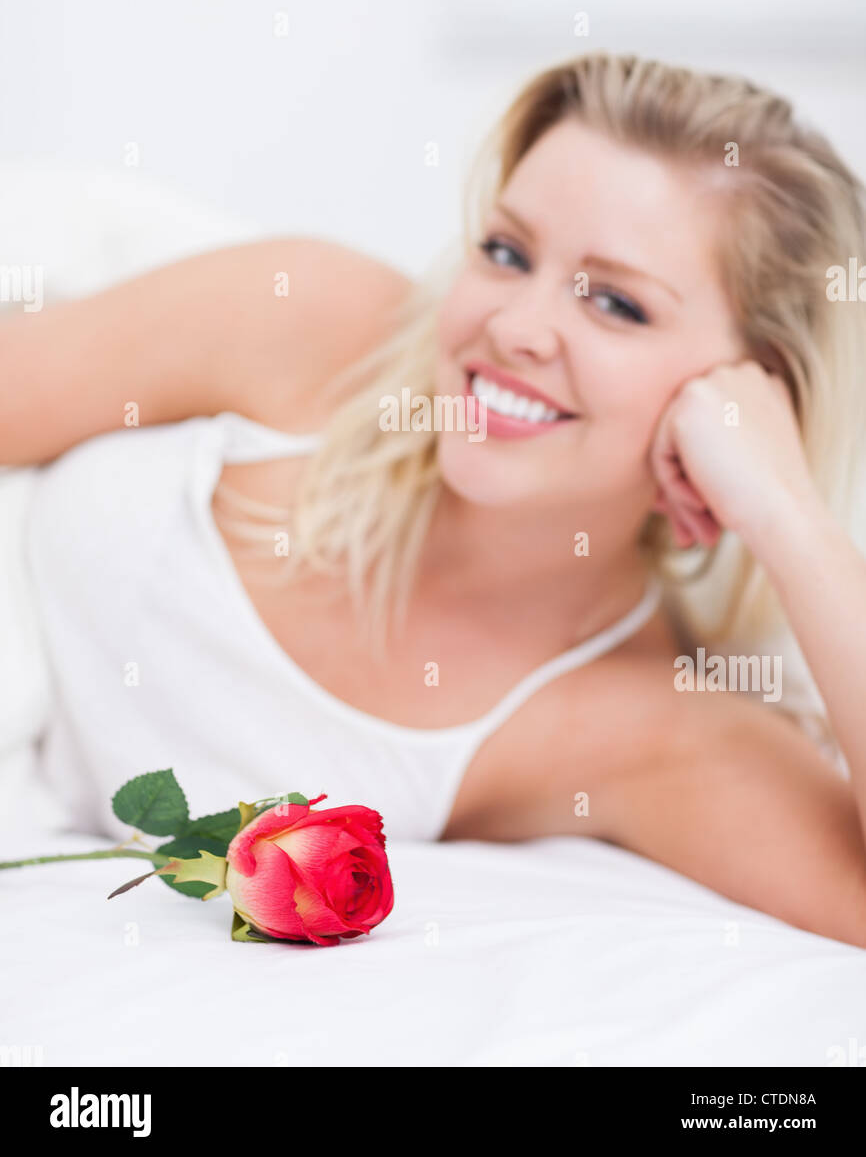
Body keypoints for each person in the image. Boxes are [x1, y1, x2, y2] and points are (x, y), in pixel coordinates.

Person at [5, 52, 866, 947]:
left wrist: (790, 518)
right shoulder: (313, 329)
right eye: (506, 252)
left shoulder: (643, 721)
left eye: (615, 303)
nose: (515, 328)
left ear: (748, 397)